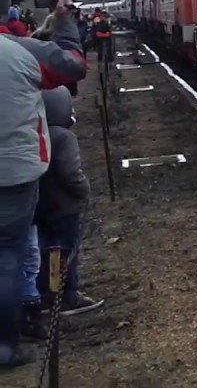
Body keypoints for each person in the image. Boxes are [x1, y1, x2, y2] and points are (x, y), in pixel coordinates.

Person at [0, 0, 86, 369]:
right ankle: (5, 344)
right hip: (13, 174)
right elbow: (71, 66)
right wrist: (64, 21)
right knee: (9, 254)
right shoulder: (20, 51)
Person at [35, 86, 101, 318]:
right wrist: (84, 190)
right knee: (66, 250)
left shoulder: (34, 134)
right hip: (64, 207)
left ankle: (47, 293)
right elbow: (71, 173)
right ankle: (67, 293)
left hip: (40, 206)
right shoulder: (63, 137)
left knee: (45, 250)